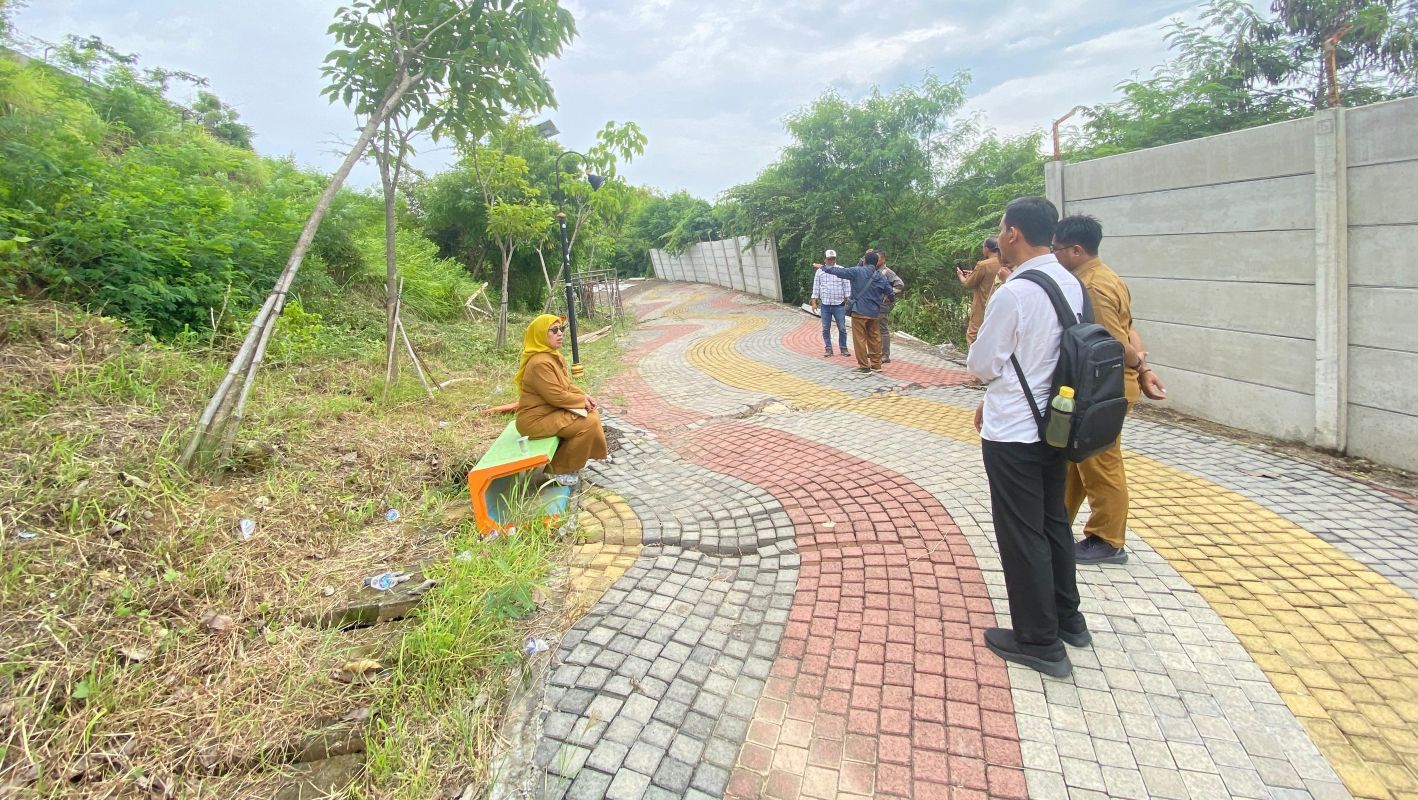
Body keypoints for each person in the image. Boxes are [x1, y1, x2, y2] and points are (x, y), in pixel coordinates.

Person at [966, 196, 1088, 677]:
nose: (999, 237)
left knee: (1022, 532)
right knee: (1053, 520)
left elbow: (982, 364)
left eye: (1001, 229)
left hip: (1015, 429)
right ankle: (1068, 619)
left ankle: (1039, 641)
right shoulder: (1069, 281)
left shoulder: (1015, 293)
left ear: (1013, 233)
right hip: (1057, 422)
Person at [1049, 215, 1167, 565]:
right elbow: (1130, 329)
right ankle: (1058, 523)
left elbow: (1114, 342)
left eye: (1056, 250)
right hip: (1105, 384)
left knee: (1101, 463)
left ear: (1076, 250)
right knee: (1078, 461)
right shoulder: (1105, 276)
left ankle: (1107, 539)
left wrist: (1137, 364)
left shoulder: (1094, 288)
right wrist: (1143, 367)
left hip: (1104, 388)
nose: (1053, 256)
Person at [514, 314, 607, 481]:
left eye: (562, 329)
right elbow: (556, 396)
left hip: (549, 413)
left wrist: (584, 396)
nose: (560, 333)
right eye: (554, 330)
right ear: (540, 335)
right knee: (588, 423)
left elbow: (566, 385)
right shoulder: (539, 363)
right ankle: (557, 470)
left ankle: (569, 461)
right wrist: (581, 402)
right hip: (534, 421)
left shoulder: (553, 356)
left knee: (591, 415)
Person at [817, 252, 894, 372]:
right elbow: (890, 293)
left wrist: (823, 267)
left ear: (865, 261)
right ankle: (876, 365)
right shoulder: (881, 276)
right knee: (875, 339)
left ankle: (864, 366)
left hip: (859, 312)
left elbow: (839, 272)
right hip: (874, 314)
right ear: (876, 263)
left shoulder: (857, 271)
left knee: (860, 340)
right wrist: (889, 299)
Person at [958, 238, 1003, 346]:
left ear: (987, 248)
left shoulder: (983, 265)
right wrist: (973, 274)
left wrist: (961, 276)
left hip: (982, 306)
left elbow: (968, 283)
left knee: (973, 335)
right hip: (997, 306)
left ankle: (973, 360)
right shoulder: (1005, 263)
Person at [810, 249, 852, 357]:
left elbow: (847, 287)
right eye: (829, 259)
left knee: (842, 328)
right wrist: (814, 302)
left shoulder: (841, 270)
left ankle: (843, 348)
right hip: (825, 305)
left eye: (834, 259)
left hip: (839, 304)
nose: (832, 261)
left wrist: (849, 300)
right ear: (825, 259)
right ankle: (828, 348)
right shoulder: (820, 272)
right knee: (825, 328)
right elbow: (816, 287)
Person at [875, 249, 906, 363]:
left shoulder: (887, 272)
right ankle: (877, 351)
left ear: (883, 259)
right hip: (874, 304)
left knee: (883, 329)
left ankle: (885, 355)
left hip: (882, 305)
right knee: (875, 328)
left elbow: (900, 284)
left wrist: (890, 293)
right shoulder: (874, 270)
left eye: (877, 258)